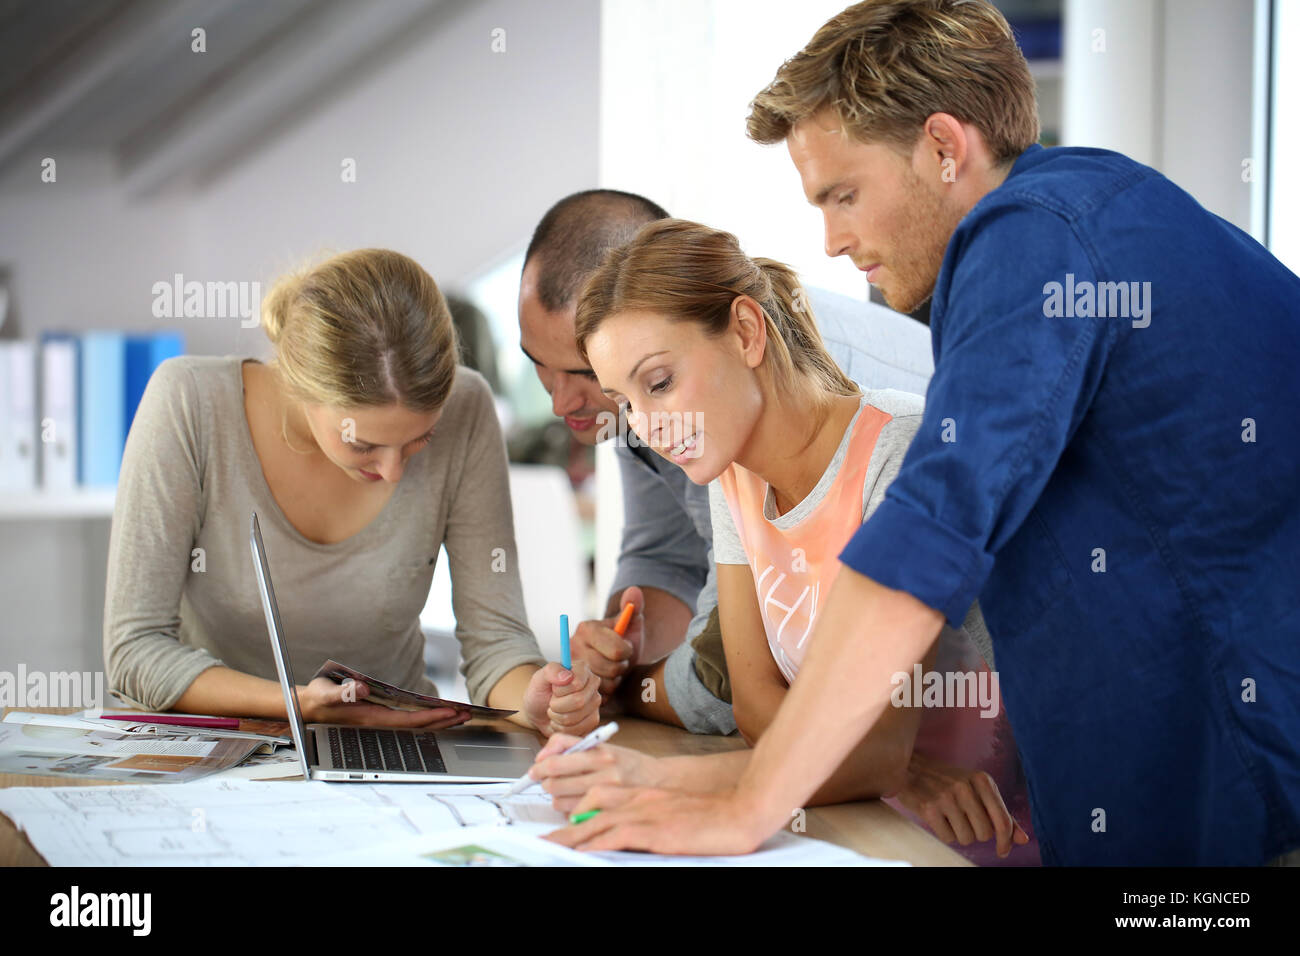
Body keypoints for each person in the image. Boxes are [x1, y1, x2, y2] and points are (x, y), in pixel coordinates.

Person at [546, 0, 1300, 865]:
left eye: (844, 194)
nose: (830, 240)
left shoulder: (1031, 241)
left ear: (944, 147)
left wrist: (747, 803)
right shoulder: (1092, 207)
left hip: (1247, 796)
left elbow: (933, 530)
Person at [528, 218, 1036, 863]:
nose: (648, 428)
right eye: (625, 403)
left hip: (978, 836)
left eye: (658, 384)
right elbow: (756, 707)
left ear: (745, 332)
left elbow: (879, 749)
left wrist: (655, 775)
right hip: (845, 824)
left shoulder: (902, 451)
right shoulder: (729, 473)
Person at [104, 248, 600, 738]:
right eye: (363, 444)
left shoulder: (467, 409)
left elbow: (496, 644)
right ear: (299, 385)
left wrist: (536, 699)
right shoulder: (190, 402)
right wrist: (301, 706)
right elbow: (134, 649)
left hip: (392, 750)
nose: (392, 473)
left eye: (418, 441)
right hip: (214, 749)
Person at [518, 188, 933, 736]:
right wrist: (614, 658)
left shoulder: (846, 424)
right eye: (538, 366)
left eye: (580, 375)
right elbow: (668, 559)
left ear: (745, 333)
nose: (558, 402)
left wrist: (632, 695)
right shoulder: (680, 415)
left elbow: (725, 684)